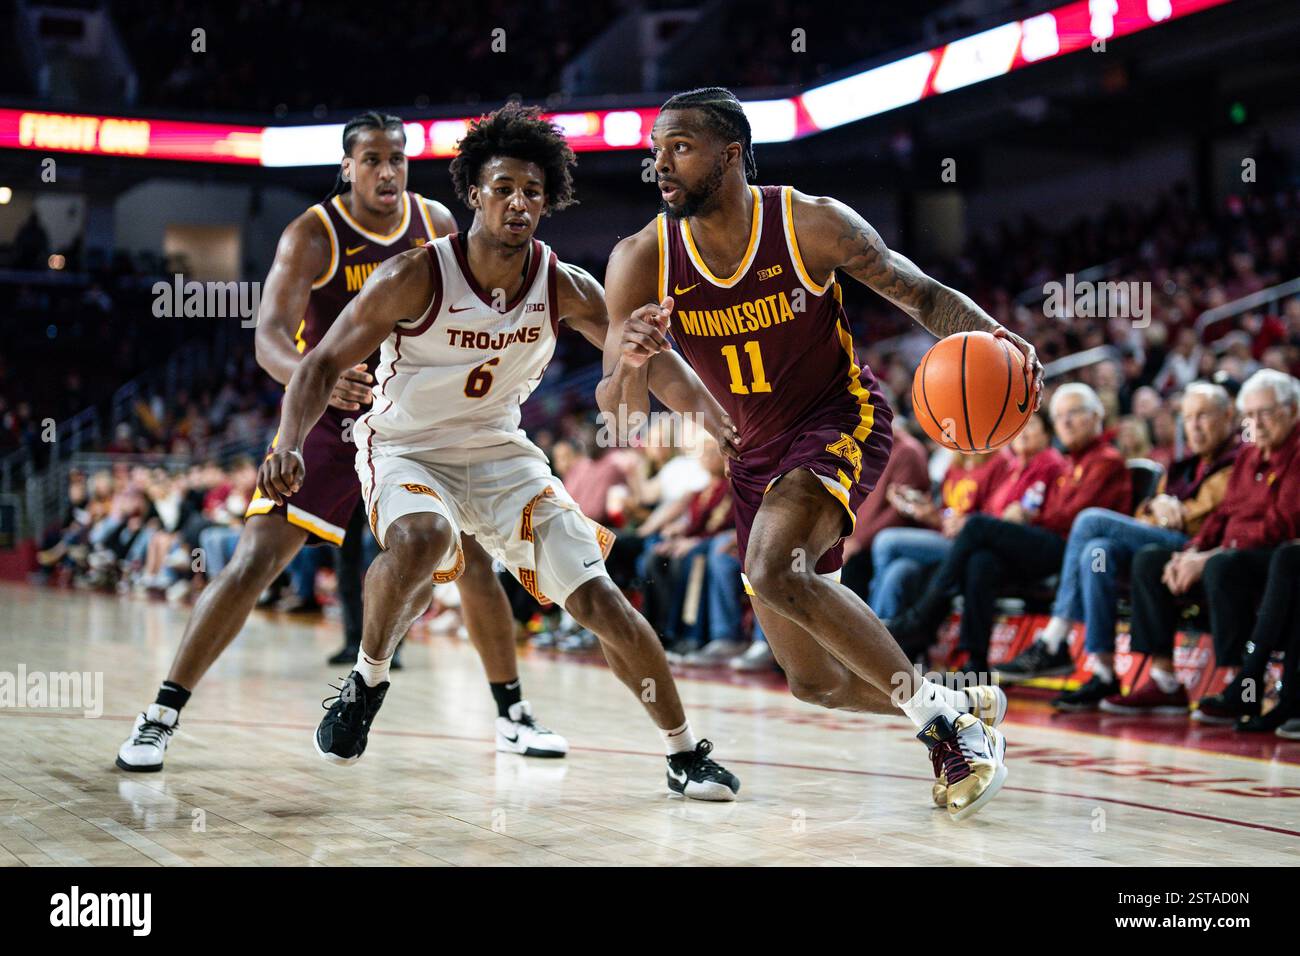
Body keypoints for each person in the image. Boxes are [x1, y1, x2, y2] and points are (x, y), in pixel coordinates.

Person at [256, 104, 741, 800]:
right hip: (404, 448)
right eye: (504, 188)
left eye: (533, 192)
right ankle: (366, 680)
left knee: (601, 599)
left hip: (500, 453)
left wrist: (716, 417)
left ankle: (684, 751)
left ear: (549, 201)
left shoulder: (564, 283)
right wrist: (288, 443)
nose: (519, 203)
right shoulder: (414, 275)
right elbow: (319, 362)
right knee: (423, 536)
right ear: (475, 194)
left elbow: (646, 360)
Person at [599, 87, 1033, 820]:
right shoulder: (641, 257)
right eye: (656, 149)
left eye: (679, 147)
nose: (660, 164)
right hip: (753, 458)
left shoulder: (809, 222)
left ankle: (946, 731)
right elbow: (619, 411)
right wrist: (633, 363)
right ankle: (954, 701)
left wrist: (1000, 337)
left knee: (775, 567)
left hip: (839, 418)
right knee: (813, 683)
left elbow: (921, 296)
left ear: (731, 153)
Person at [117, 112, 564, 773]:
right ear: (347, 168)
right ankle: (160, 714)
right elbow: (269, 334)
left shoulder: (438, 221)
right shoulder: (313, 234)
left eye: (399, 158)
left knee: (472, 560)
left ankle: (512, 714)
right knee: (252, 564)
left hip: (418, 422)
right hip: (333, 420)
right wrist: (314, 383)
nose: (388, 171)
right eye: (374, 159)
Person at [998, 383, 1239, 709]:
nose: (1193, 425)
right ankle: (1103, 670)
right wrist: (1157, 508)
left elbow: (1211, 515)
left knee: (1089, 521)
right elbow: (1146, 511)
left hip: (1196, 547)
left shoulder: (1237, 462)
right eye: (1188, 417)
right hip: (1160, 541)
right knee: (1097, 551)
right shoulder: (1185, 464)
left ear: (1229, 416)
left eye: (1203, 417)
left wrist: (1170, 513)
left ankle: (1056, 635)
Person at [887, 384, 1130, 675]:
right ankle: (975, 662)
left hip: (1074, 552)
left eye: (1074, 414)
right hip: (1048, 544)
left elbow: (1070, 517)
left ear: (1096, 416)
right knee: (981, 562)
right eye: (1061, 415)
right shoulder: (1066, 462)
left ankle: (922, 616)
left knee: (973, 527)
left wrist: (1030, 516)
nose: (1066, 422)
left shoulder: (1103, 460)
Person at [1108, 370, 1300, 718]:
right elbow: (1222, 514)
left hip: (1273, 555)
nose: (1256, 422)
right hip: (1228, 551)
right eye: (1251, 414)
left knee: (1222, 566)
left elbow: (1283, 523)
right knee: (1151, 560)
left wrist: (1214, 553)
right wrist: (1192, 550)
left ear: (1292, 410)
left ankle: (1239, 684)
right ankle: (1164, 679)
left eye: (1266, 412)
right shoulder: (1249, 455)